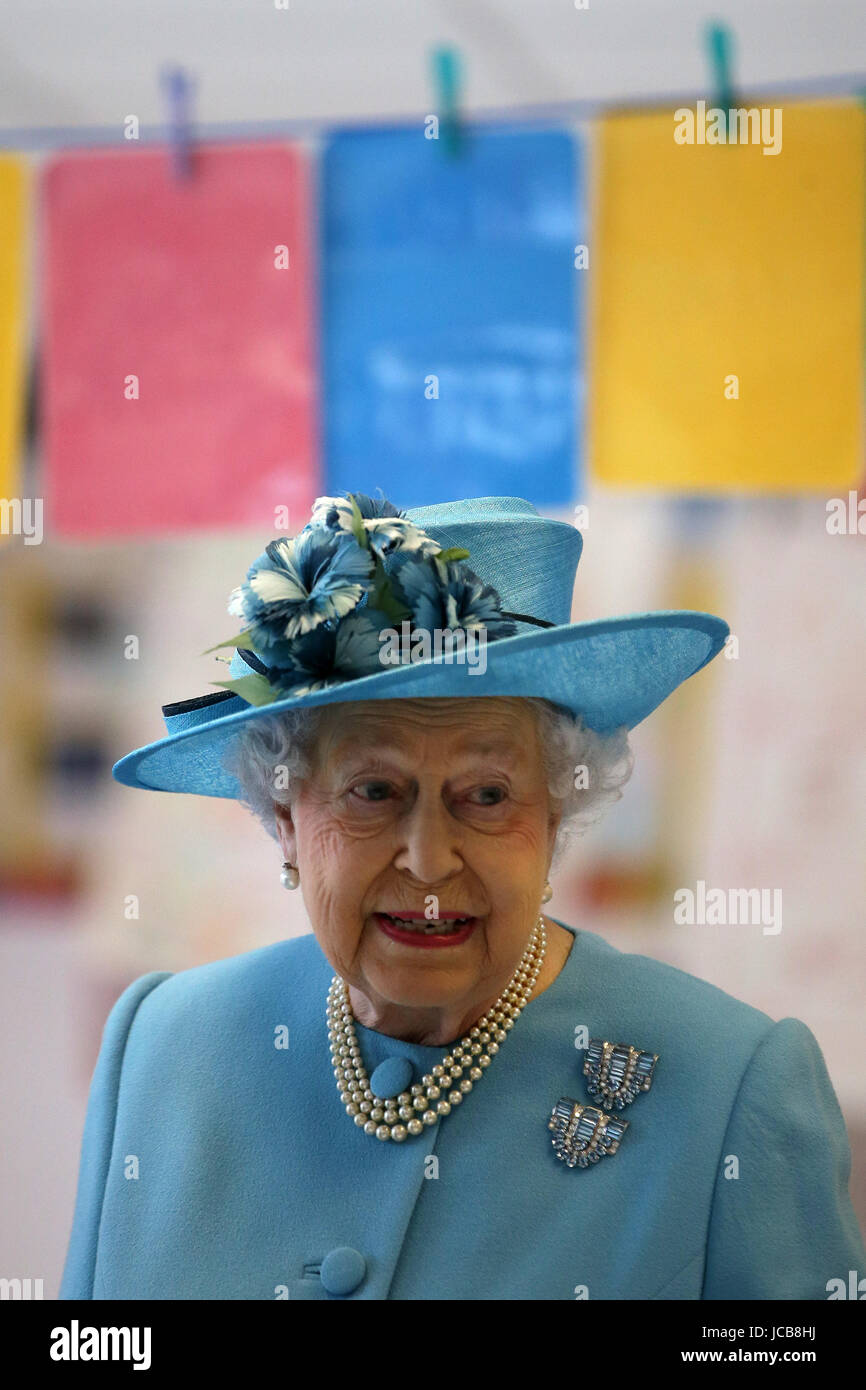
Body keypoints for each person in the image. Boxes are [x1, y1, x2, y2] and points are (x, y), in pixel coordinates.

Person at [59, 493, 865, 1300]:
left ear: (556, 813)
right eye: (373, 790)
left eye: (485, 796)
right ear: (285, 815)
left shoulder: (733, 1088)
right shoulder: (161, 1048)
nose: (430, 860)